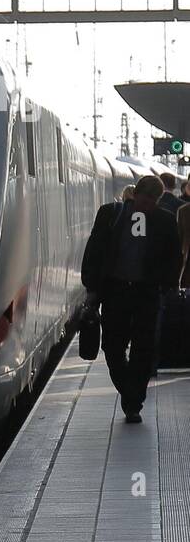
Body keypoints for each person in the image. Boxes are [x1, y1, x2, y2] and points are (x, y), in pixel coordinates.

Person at [82, 175, 182, 423]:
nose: (147, 204)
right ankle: (130, 390)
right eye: (144, 197)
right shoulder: (110, 214)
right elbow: (94, 251)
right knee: (112, 347)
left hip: (147, 293)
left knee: (143, 348)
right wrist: (92, 289)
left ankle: (133, 402)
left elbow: (174, 256)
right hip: (115, 291)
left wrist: (167, 285)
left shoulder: (165, 221)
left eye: (152, 200)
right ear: (135, 194)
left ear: (158, 201)